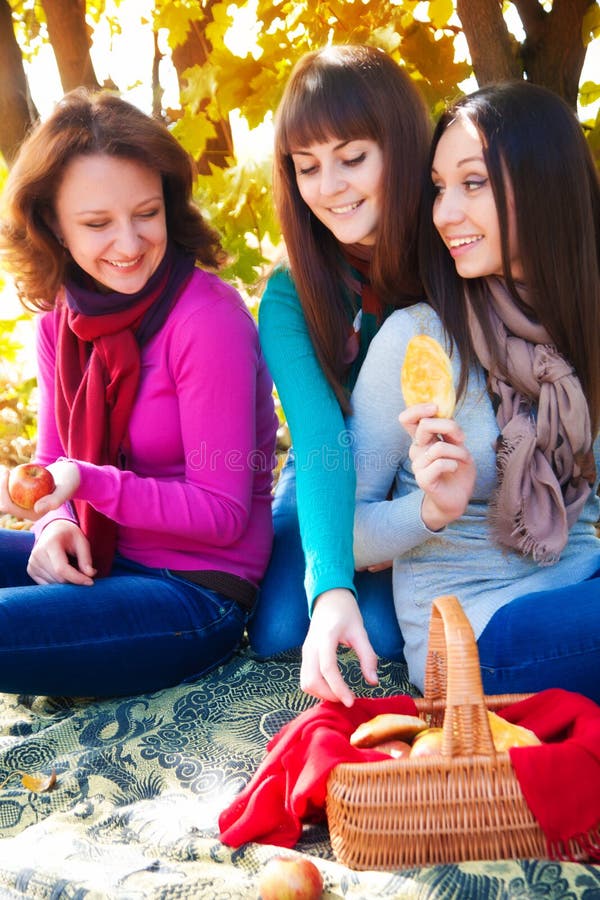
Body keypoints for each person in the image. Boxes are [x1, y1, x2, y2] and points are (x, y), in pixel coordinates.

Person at [0, 89, 277, 698]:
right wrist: (53, 526)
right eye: (97, 224)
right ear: (53, 224)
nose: (128, 244)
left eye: (146, 213)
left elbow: (224, 512)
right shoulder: (60, 322)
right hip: (103, 557)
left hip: (195, 591)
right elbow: (53, 467)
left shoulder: (207, 320)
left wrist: (88, 484)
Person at [345, 81, 600, 702]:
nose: (444, 213)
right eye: (439, 187)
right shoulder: (419, 340)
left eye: (473, 183)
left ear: (545, 185)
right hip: (474, 636)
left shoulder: (583, 331)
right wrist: (431, 509)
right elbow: (343, 532)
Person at [246, 44, 432, 706]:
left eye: (353, 158)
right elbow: (321, 439)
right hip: (330, 462)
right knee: (279, 629)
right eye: (308, 167)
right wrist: (330, 583)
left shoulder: (451, 253)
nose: (330, 186)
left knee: (384, 631)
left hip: (425, 467)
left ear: (402, 148)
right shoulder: (290, 296)